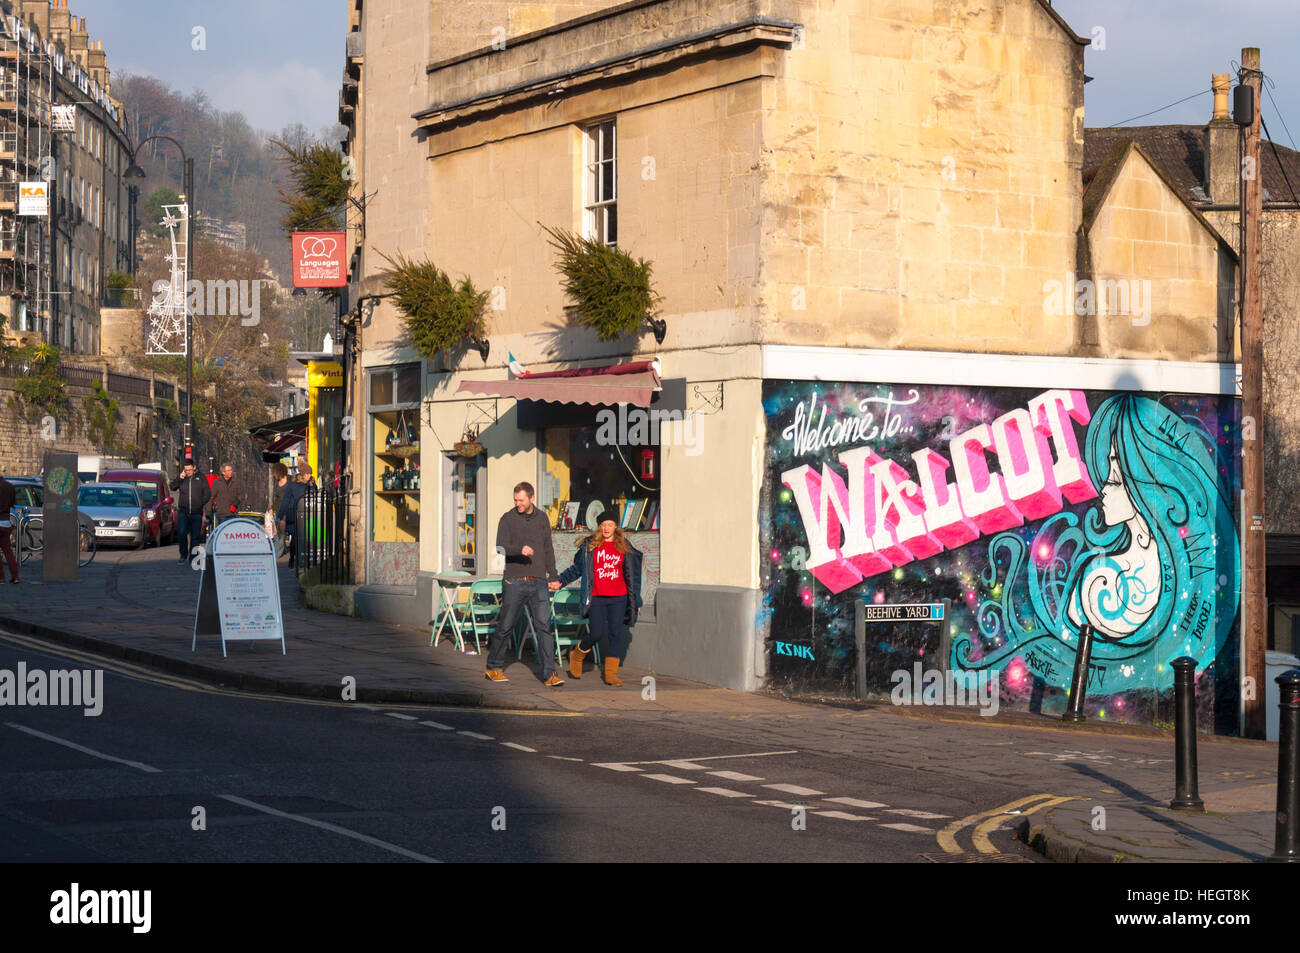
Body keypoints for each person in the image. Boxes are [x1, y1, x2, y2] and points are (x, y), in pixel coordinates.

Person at [484, 481, 564, 687]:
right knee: (506, 625)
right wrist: (520, 549)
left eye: (521, 500)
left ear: (531, 498)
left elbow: (548, 549)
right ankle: (493, 668)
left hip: (539, 581)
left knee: (544, 627)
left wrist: (553, 575)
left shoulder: (542, 519)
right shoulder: (507, 519)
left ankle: (550, 675)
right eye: (515, 500)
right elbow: (500, 547)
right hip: (514, 581)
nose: (517, 503)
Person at [558, 513, 644, 685]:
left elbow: (633, 576)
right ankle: (578, 653)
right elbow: (577, 569)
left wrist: (637, 601)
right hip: (597, 596)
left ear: (615, 527)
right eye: (603, 525)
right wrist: (560, 581)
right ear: (599, 527)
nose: (606, 528)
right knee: (596, 633)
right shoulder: (590, 546)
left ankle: (611, 674)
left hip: (619, 597)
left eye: (610, 525)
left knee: (615, 634)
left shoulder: (624, 547)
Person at [171, 461, 211, 564]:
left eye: (189, 470)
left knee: (195, 536)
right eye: (186, 470)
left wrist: (200, 503)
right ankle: (183, 555)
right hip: (183, 511)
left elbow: (207, 493)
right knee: (182, 533)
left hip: (196, 512)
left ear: (194, 467)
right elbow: (172, 487)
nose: (188, 472)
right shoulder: (182, 478)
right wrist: (180, 478)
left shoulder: (201, 478)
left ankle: (193, 557)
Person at [276, 466, 308, 564]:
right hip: (294, 514)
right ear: (303, 474)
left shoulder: (310, 484)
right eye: (307, 474)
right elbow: (286, 500)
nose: (309, 476)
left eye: (310, 474)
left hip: (304, 515)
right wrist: (281, 515)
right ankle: (294, 558)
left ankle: (297, 559)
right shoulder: (293, 485)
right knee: (295, 537)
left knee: (300, 537)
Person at [208, 463, 240, 528]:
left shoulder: (236, 482)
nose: (231, 472)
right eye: (228, 470)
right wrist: (208, 512)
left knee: (233, 535)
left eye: (231, 470)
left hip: (233, 514)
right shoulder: (217, 482)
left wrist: (235, 504)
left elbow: (240, 495)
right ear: (223, 472)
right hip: (222, 515)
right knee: (223, 534)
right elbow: (211, 497)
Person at [0, 475, 18, 584]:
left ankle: (1, 578)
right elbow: (12, 503)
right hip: (6, 522)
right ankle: (15, 576)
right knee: (8, 552)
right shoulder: (10, 486)